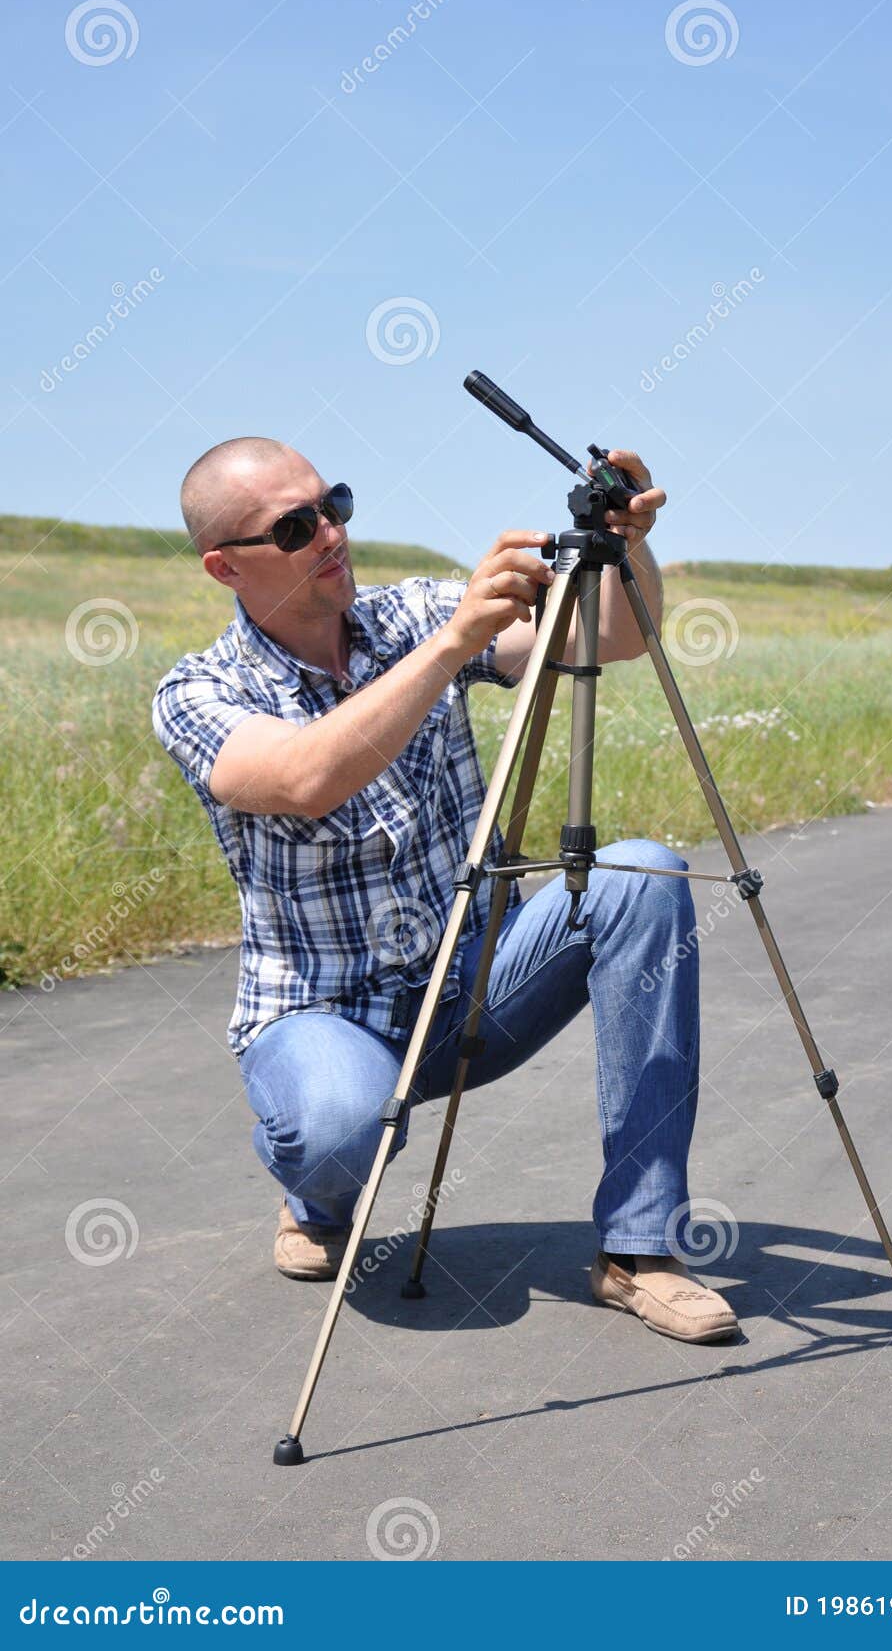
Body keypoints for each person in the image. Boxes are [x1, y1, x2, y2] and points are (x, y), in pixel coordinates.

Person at [152, 435, 737, 1345]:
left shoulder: (413, 611)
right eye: (296, 528)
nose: (331, 535)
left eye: (334, 506)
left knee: (644, 876)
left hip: (475, 982)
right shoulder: (196, 691)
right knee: (338, 1127)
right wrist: (454, 642)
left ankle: (639, 1246)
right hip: (322, 1013)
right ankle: (315, 1195)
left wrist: (623, 549)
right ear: (225, 566)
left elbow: (611, 637)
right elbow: (305, 778)